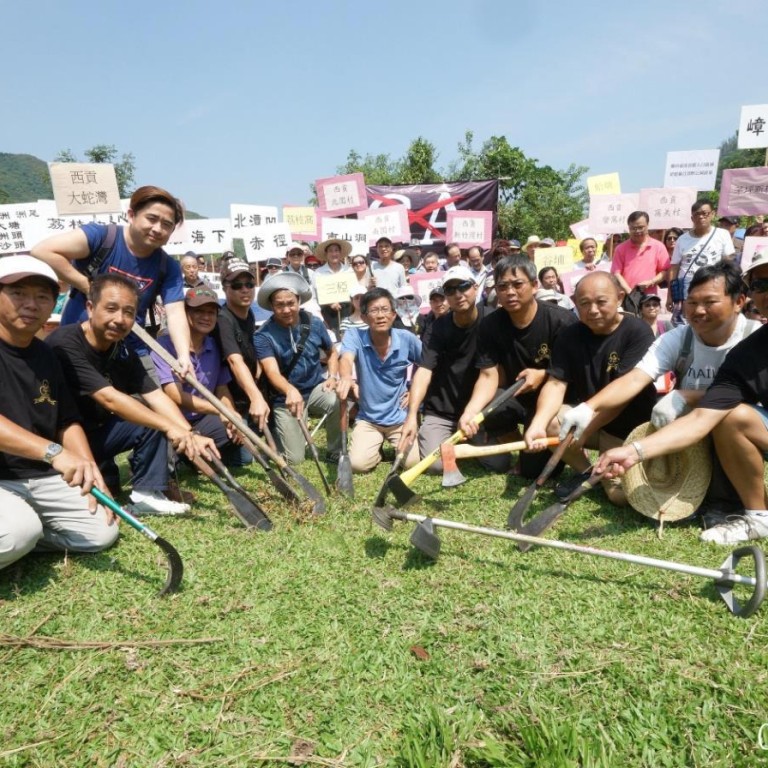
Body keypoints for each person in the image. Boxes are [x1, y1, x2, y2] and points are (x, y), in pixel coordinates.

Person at [47, 273, 218, 516]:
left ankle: (146, 494)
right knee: (94, 502)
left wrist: (188, 433)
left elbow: (155, 395)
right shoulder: (65, 343)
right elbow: (109, 398)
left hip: (99, 433)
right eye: (111, 309)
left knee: (153, 419)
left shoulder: (122, 348)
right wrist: (170, 427)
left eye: (128, 312)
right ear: (90, 307)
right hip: (63, 442)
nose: (120, 319)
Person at [0, 256, 118, 571]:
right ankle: (21, 530)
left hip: (38, 475)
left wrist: (88, 467)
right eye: (18, 293)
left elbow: (65, 419)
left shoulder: (47, 354)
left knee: (101, 531)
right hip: (5, 476)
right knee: (16, 533)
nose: (31, 304)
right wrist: (52, 452)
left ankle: (27, 531)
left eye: (42, 296)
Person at [31, 185, 192, 376]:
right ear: (131, 215)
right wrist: (88, 286)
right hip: (78, 347)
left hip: (130, 352)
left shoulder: (168, 267)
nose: (157, 229)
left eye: (166, 224)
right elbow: (42, 251)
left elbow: (175, 312)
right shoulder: (101, 237)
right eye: (151, 219)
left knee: (152, 402)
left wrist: (183, 355)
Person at [524, 272, 656, 504]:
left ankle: (606, 476)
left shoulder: (638, 331)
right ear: (575, 303)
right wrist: (538, 425)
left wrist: (583, 430)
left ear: (619, 298)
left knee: (620, 497)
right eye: (584, 303)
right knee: (553, 422)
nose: (593, 310)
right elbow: (555, 383)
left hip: (628, 427)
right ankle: (588, 474)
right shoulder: (570, 335)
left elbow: (622, 397)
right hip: (590, 419)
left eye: (601, 301)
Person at [459, 255, 577, 477]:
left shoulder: (562, 321)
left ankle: (542, 448)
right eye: (503, 286)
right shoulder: (490, 325)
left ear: (534, 285)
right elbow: (487, 376)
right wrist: (471, 412)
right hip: (517, 396)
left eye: (517, 284)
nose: (510, 292)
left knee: (534, 472)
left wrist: (542, 374)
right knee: (490, 408)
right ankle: (519, 442)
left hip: (554, 397)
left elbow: (565, 376)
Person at [400, 267, 494, 472]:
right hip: (441, 412)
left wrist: (474, 412)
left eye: (463, 286)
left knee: (498, 464)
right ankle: (447, 441)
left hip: (476, 411)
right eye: (450, 290)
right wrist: (412, 415)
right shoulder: (436, 328)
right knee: (435, 466)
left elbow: (493, 374)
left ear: (476, 287)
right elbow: (423, 371)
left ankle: (473, 438)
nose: (458, 294)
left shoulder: (493, 321)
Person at [254, 273, 341, 465]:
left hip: (315, 389)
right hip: (284, 398)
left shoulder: (314, 323)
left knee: (337, 399)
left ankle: (335, 451)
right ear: (271, 306)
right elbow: (272, 373)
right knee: (295, 460)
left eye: (290, 303)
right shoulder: (263, 335)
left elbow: (332, 352)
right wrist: (289, 390)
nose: (286, 309)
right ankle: (279, 435)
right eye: (279, 305)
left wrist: (333, 376)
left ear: (299, 301)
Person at [151, 287, 241, 464]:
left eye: (211, 312)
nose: (206, 317)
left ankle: (196, 454)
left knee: (241, 447)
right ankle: (180, 454)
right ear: (185, 314)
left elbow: (222, 389)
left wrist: (231, 414)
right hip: (173, 421)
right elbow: (175, 395)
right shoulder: (163, 346)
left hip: (202, 420)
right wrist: (220, 410)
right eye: (199, 311)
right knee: (162, 455)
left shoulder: (215, 345)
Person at [337, 288, 421, 472]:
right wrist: (345, 378)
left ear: (393, 314)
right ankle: (375, 449)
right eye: (374, 311)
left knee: (412, 463)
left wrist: (413, 388)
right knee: (358, 465)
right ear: (365, 317)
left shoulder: (407, 338)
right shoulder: (354, 336)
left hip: (400, 419)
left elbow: (428, 367)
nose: (381, 316)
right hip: (369, 419)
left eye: (385, 310)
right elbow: (346, 358)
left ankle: (388, 443)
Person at [215, 260, 270, 435]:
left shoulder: (249, 313)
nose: (245, 289)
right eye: (237, 285)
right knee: (243, 453)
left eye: (249, 284)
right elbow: (234, 361)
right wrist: (256, 397)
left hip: (247, 391)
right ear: (225, 288)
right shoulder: (223, 319)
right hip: (229, 396)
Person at [667, 199, 735, 322]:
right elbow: (674, 269)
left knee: (711, 323)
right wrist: (670, 296)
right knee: (686, 326)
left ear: (713, 214)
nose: (701, 217)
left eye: (705, 213)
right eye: (697, 214)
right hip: (687, 294)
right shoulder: (682, 239)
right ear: (692, 218)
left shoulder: (722, 235)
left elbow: (728, 264)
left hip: (713, 290)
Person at [610, 211, 670, 299]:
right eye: (633, 228)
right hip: (626, 297)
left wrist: (651, 282)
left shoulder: (658, 247)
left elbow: (665, 271)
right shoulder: (620, 248)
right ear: (629, 228)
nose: (637, 231)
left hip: (649, 298)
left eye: (641, 227)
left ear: (647, 226)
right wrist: (629, 292)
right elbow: (616, 274)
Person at [314, 238, 352, 334]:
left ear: (340, 252)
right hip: (328, 312)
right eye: (330, 251)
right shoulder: (319, 272)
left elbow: (353, 290)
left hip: (347, 310)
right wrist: (330, 303)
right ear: (326, 254)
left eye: (336, 250)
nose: (334, 253)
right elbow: (317, 293)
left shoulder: (348, 270)